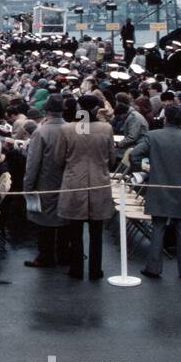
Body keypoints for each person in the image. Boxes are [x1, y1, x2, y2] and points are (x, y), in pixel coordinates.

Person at [130, 104, 181, 278]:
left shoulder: (153, 136)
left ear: (165, 119)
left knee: (157, 228)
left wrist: (145, 172)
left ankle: (153, 267)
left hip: (158, 187)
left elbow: (134, 155)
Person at [57, 95, 115, 280]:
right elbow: (112, 158)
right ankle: (95, 270)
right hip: (99, 181)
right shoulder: (106, 128)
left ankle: (76, 268)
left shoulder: (67, 128)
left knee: (75, 230)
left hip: (74, 182)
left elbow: (58, 158)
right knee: (96, 231)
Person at [22, 93, 72, 268]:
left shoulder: (41, 131)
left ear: (46, 111)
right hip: (68, 182)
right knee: (65, 219)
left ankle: (45, 257)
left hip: (46, 182)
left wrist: (27, 186)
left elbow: (33, 162)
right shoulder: (72, 129)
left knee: (45, 222)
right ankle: (65, 254)